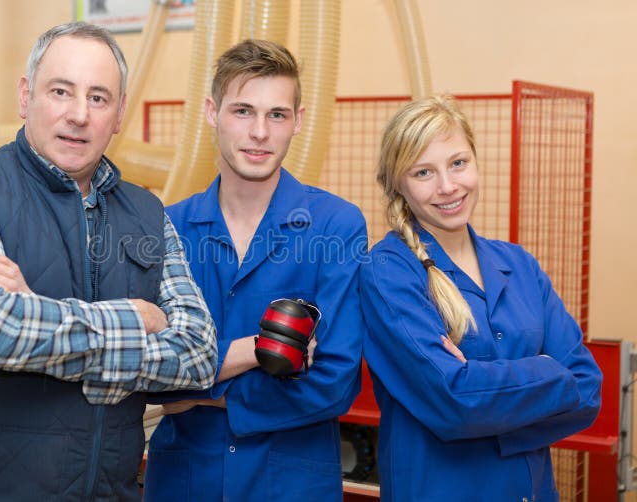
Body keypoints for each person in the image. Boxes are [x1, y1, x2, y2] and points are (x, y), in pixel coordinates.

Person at [0, 21, 218, 501]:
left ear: (119, 114)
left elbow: (197, 355)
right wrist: (136, 317)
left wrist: (41, 319)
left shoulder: (148, 214)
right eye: (61, 91)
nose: (78, 115)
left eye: (97, 98)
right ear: (26, 97)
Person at [142, 39, 368, 501]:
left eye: (277, 115)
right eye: (243, 111)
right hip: (186, 484)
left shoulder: (336, 227)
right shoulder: (168, 228)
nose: (260, 132)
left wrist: (201, 393)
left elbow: (337, 381)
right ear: (211, 112)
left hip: (291, 484)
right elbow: (148, 375)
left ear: (298, 121)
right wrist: (257, 352)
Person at [361, 95, 602, 501]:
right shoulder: (388, 272)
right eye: (423, 172)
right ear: (397, 184)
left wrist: (482, 399)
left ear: (476, 160)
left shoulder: (518, 265)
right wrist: (546, 370)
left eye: (458, 163)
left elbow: (589, 387)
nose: (448, 186)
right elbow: (453, 401)